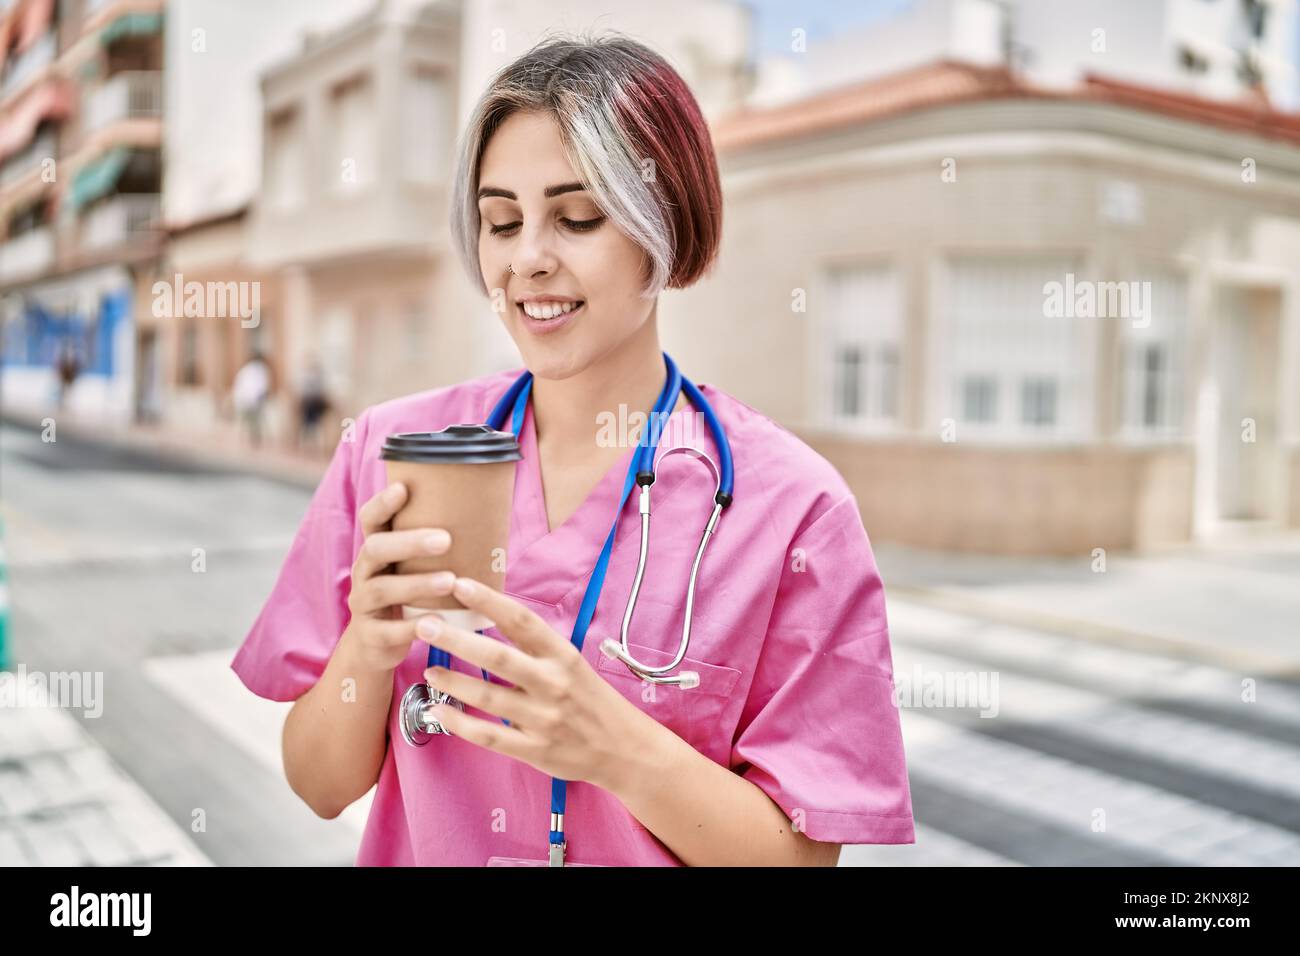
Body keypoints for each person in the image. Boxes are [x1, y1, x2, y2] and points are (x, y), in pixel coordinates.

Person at [230, 33, 915, 867]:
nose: (527, 262)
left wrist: (615, 747)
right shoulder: (392, 453)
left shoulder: (796, 512)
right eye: (500, 222)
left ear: (664, 225)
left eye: (578, 217)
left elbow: (801, 860)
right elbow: (318, 784)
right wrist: (366, 650)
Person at [232, 351, 271, 447]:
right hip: (248, 400)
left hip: (252, 400)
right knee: (250, 422)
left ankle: (252, 440)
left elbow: (262, 386)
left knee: (253, 422)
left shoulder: (256, 370)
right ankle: (249, 440)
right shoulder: (251, 370)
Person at [297, 357, 331, 455]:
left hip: (314, 405)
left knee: (313, 426)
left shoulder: (315, 377)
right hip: (310, 404)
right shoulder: (310, 377)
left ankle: (312, 447)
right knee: (308, 426)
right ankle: (307, 446)